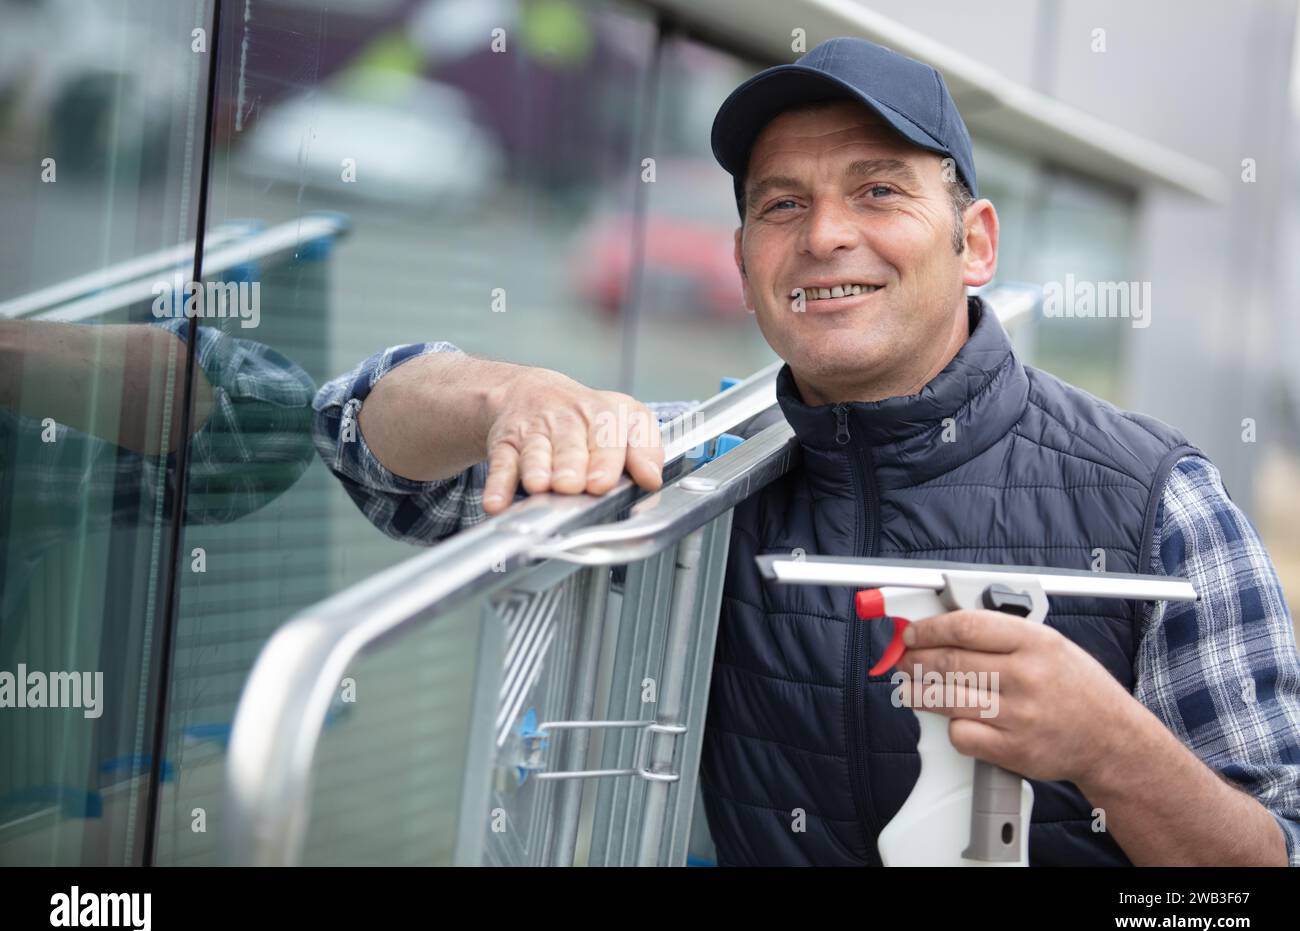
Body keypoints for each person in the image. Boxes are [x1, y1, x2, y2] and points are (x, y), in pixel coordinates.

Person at [312, 38, 1300, 866]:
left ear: (976, 243)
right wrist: (509, 395)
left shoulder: (1158, 502)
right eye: (781, 205)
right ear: (744, 263)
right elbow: (365, 442)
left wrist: (1113, 752)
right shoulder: (695, 476)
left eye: (877, 190)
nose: (826, 235)